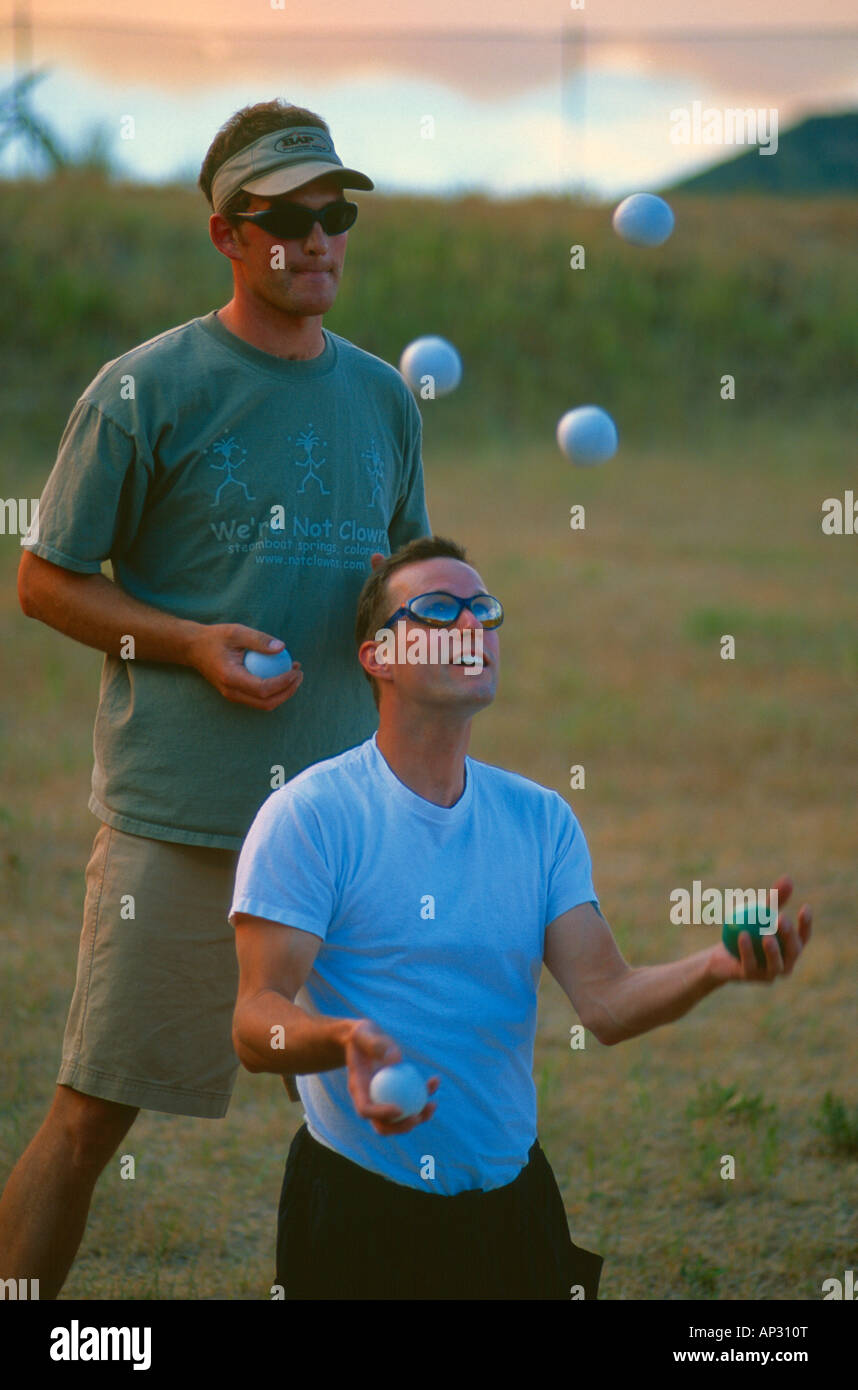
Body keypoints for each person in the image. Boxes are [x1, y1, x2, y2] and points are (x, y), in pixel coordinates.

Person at [0, 99, 430, 1299]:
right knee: (90, 1119)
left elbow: (394, 584)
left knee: (401, 1112)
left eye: (333, 213)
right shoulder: (146, 390)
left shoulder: (383, 399)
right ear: (226, 235)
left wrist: (429, 619)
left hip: (346, 825)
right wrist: (189, 643)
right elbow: (42, 578)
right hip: (182, 818)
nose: (316, 239)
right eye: (283, 218)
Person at [230, 534, 813, 1301]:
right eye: (438, 610)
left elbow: (604, 1001)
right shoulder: (311, 816)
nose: (471, 625)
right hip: (360, 1204)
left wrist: (714, 967)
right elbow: (254, 1024)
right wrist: (342, 1040)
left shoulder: (539, 819)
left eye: (485, 610)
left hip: (515, 1200)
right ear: (378, 657)